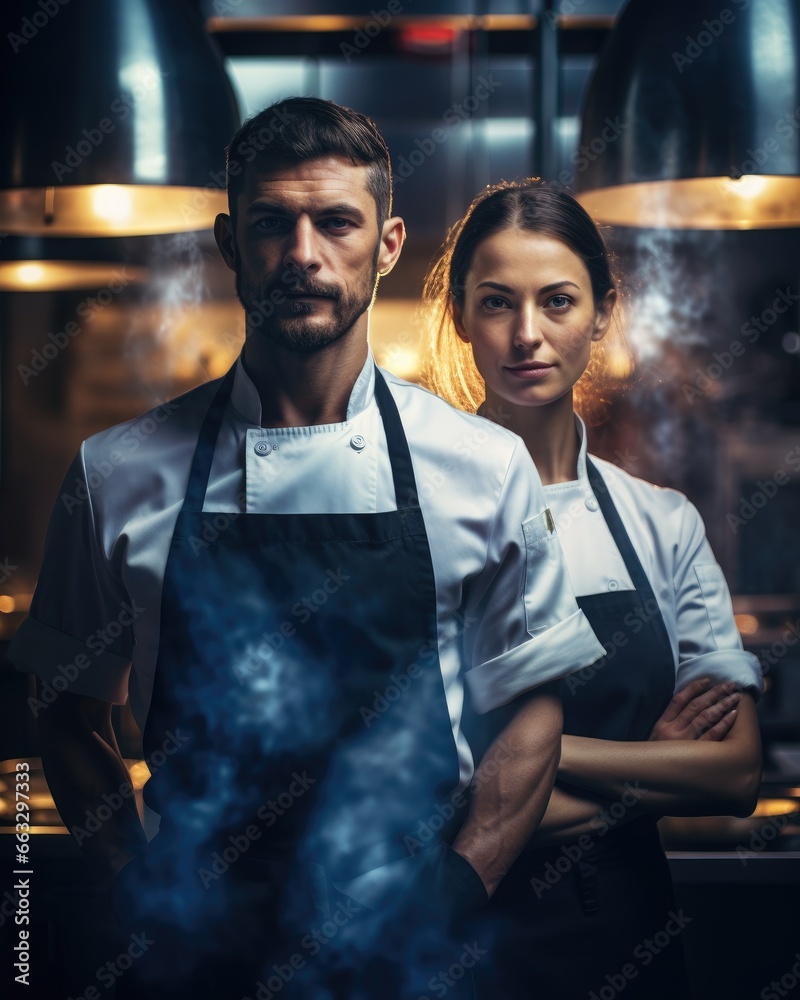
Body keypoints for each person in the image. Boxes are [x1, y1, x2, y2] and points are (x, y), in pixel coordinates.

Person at [8, 106, 606, 999]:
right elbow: (66, 709)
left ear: (389, 242)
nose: (303, 254)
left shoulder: (482, 467)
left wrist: (453, 885)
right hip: (195, 952)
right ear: (229, 243)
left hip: (411, 950)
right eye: (270, 224)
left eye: (335, 222)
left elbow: (528, 712)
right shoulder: (116, 473)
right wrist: (137, 879)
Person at [422, 179, 764, 1000]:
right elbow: (422, 790)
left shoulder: (662, 522)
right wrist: (651, 764)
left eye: (559, 301)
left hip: (629, 939)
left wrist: (510, 757)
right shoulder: (414, 515)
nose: (527, 334)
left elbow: (736, 775)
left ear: (602, 313)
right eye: (497, 303)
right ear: (462, 317)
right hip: (455, 940)